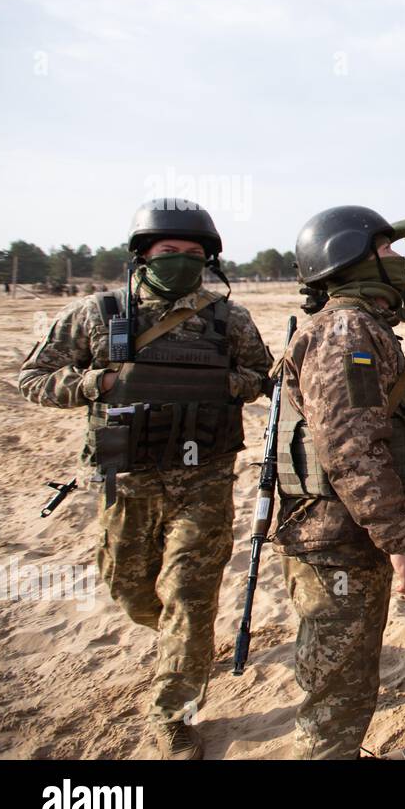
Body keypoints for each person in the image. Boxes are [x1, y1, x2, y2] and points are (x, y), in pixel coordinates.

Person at [18, 199, 272, 759]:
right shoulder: (98, 313)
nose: (182, 262)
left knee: (188, 593)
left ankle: (174, 714)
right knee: (129, 588)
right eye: (169, 252)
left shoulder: (230, 319)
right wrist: (95, 385)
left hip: (203, 479)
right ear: (143, 256)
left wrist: (231, 386)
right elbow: (33, 378)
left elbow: (262, 377)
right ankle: (186, 642)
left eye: (193, 254)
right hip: (127, 479)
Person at [277, 205, 405, 759]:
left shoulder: (356, 327)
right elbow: (351, 448)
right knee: (338, 692)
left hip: (340, 535)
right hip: (340, 541)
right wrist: (402, 543)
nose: (398, 260)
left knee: (345, 678)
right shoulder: (347, 331)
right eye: (386, 250)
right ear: (351, 260)